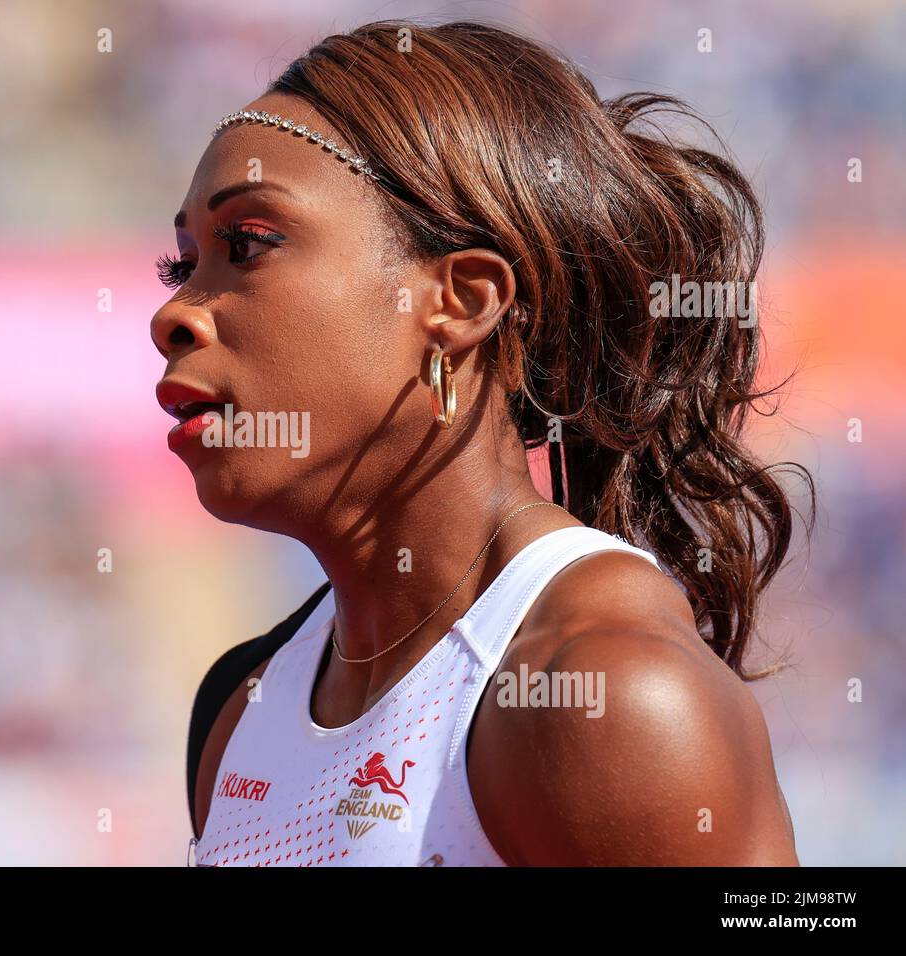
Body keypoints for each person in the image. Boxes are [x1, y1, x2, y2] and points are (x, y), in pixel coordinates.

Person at [151, 20, 812, 866]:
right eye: (183, 265)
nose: (172, 314)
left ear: (461, 301)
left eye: (247, 245)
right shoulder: (240, 705)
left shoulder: (605, 695)